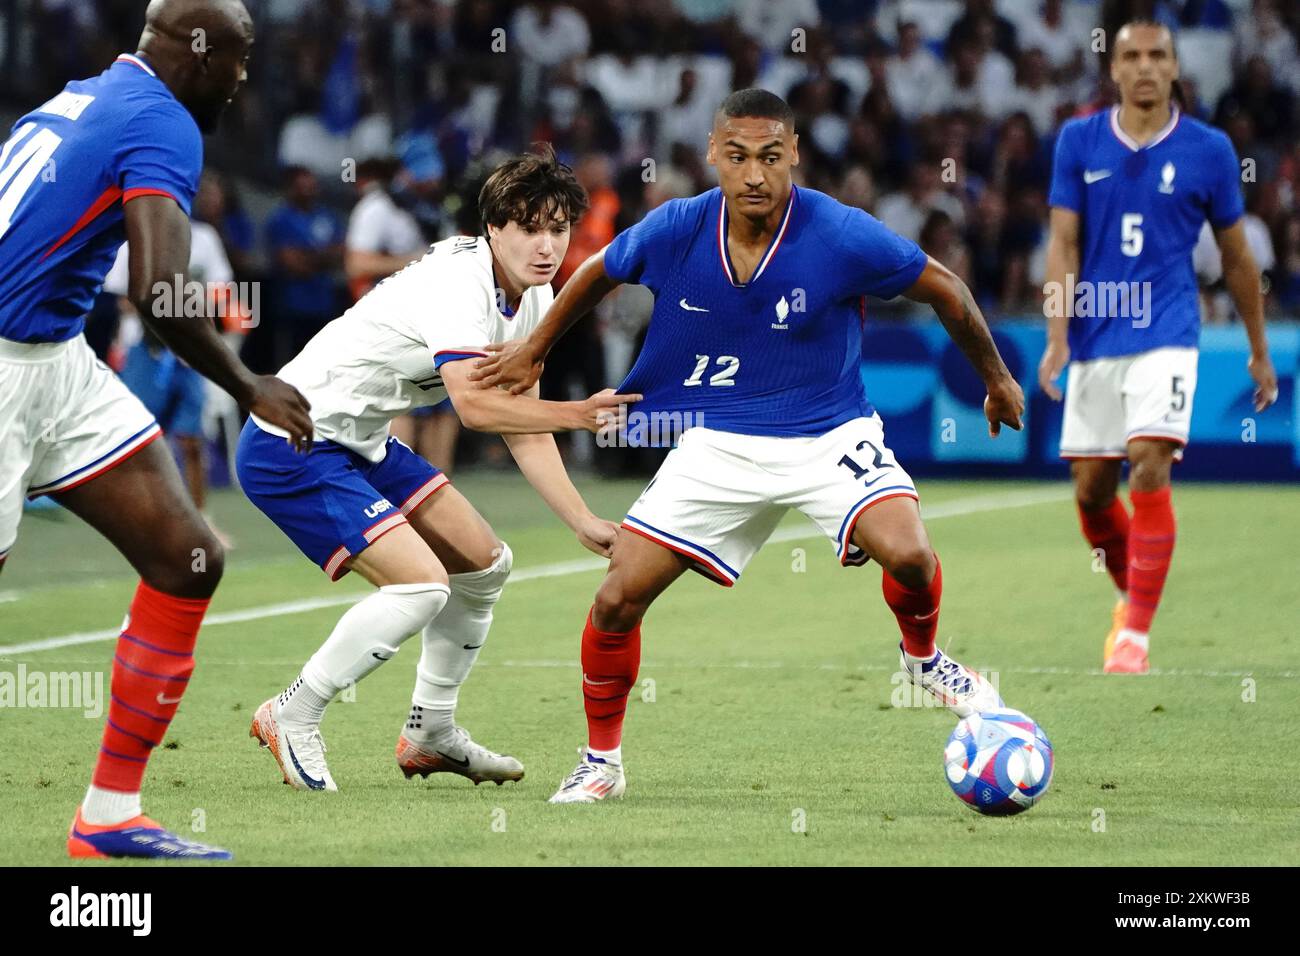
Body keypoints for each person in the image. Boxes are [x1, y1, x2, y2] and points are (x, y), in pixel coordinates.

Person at [472, 90, 1026, 803]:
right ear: (714, 156)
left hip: (829, 432)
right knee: (616, 600)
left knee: (914, 555)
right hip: (717, 444)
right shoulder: (678, 227)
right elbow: (598, 269)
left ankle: (922, 660)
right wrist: (534, 352)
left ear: (792, 154)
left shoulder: (841, 233)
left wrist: (997, 379)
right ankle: (601, 761)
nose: (754, 174)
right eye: (737, 157)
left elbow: (946, 289)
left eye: (770, 156)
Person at [0, 0, 312, 859]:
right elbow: (162, 293)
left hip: (53, 356)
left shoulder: (82, 95)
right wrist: (249, 383)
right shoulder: (164, 121)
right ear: (197, 53)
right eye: (240, 61)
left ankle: (108, 817)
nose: (243, 81)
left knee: (187, 557)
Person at [236, 146, 638, 792]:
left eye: (558, 229)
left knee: (483, 565)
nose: (546, 245)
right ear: (494, 228)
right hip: (295, 440)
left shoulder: (534, 299)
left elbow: (518, 421)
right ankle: (293, 713)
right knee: (422, 585)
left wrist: (580, 519)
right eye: (530, 227)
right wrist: (581, 416)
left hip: (362, 441)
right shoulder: (461, 283)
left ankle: (431, 731)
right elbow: (478, 408)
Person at [1037, 20, 1278, 674]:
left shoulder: (1210, 149)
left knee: (1148, 458)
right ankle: (1131, 592)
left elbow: (1235, 256)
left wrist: (1258, 349)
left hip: (1169, 327)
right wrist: (1057, 335)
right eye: (1132, 57)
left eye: (1158, 56)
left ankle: (1134, 637)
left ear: (1175, 68)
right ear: (1113, 69)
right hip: (1094, 330)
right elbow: (1063, 245)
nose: (1145, 67)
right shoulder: (1078, 141)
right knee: (1090, 492)